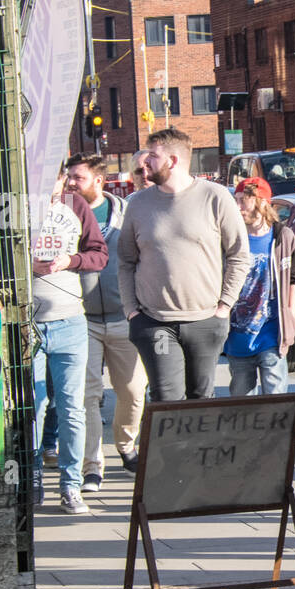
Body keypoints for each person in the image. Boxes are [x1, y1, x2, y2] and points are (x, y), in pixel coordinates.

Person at [117, 128, 250, 401]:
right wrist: (132, 311)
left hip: (205, 320)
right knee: (167, 401)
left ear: (173, 161)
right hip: (155, 322)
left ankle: (203, 447)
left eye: (153, 156)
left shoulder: (216, 197)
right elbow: (126, 261)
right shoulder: (138, 204)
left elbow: (239, 254)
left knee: (201, 399)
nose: (145, 163)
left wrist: (225, 305)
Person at [66, 153, 147, 493]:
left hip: (122, 316)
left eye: (77, 178)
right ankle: (91, 465)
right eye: (68, 177)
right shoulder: (63, 216)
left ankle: (126, 445)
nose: (70, 183)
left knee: (132, 390)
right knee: (87, 396)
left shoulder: (126, 213)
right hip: (80, 319)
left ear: (98, 182)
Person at [31, 172, 108, 514]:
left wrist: (70, 260)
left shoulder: (75, 205)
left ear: (60, 177)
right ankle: (32, 481)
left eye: (51, 175)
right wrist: (26, 265)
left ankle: (70, 485)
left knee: (71, 407)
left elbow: (99, 253)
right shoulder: (19, 204)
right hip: (28, 324)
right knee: (33, 407)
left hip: (69, 320)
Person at [222, 177, 295, 395]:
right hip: (237, 337)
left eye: (243, 201)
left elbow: (294, 279)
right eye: (235, 200)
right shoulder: (230, 239)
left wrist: (290, 317)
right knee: (242, 405)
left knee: (276, 403)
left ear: (262, 202)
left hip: (271, 335)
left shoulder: (283, 238)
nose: (238, 207)